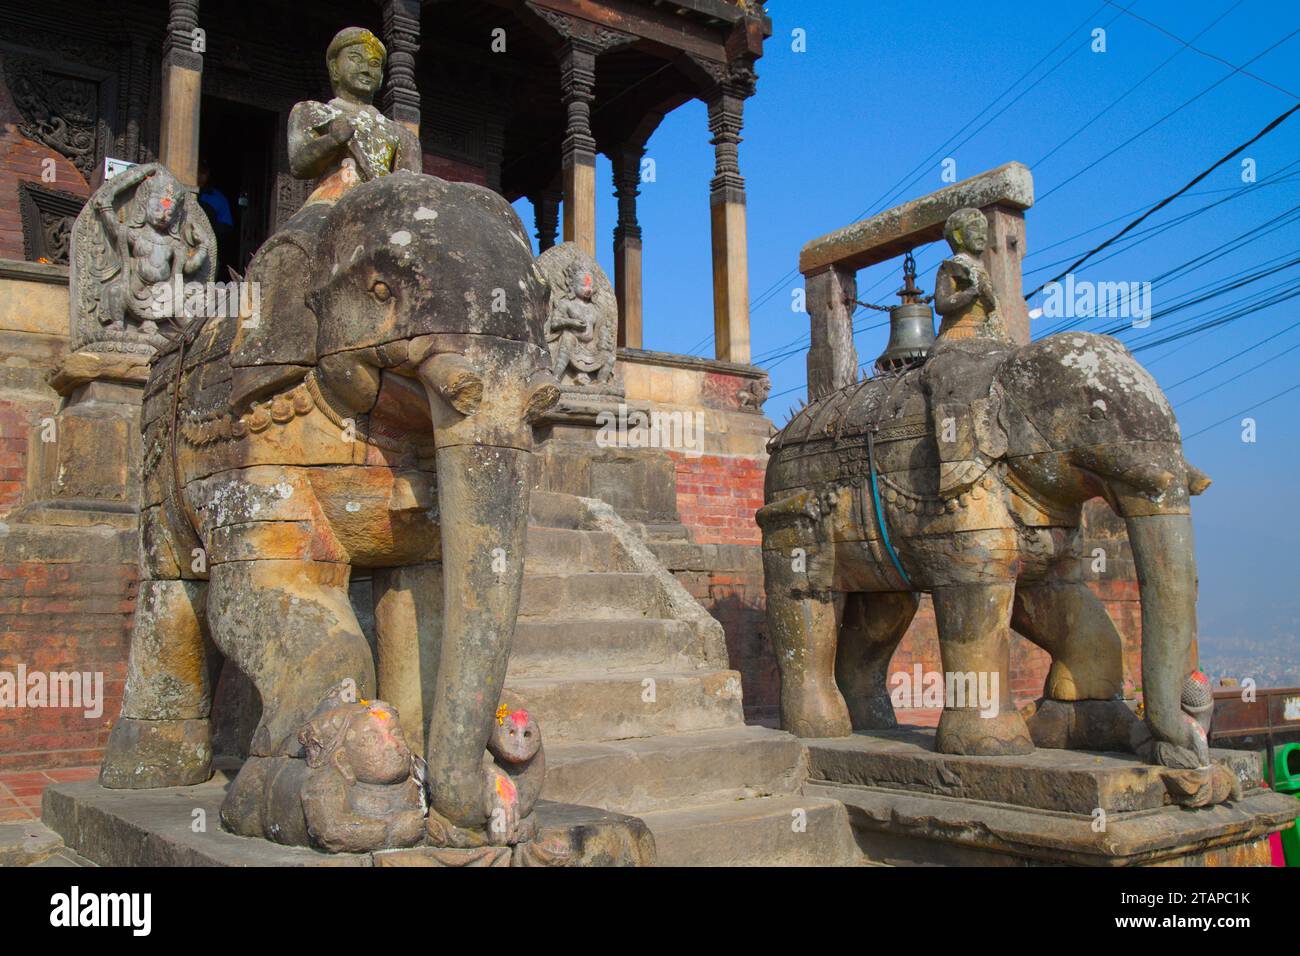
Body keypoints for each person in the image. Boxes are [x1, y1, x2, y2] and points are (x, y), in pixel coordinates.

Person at [923, 207, 1014, 499]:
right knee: (953, 382)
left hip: (989, 337)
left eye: (984, 230)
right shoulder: (950, 266)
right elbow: (941, 304)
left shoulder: (982, 268)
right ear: (959, 236)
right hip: (957, 337)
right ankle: (954, 459)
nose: (981, 236)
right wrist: (969, 294)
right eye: (974, 230)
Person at [287, 26, 421, 205]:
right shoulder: (311, 112)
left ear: (381, 77)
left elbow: (411, 190)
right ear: (334, 68)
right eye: (356, 59)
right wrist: (332, 140)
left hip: (380, 207)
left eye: (374, 64)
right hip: (329, 202)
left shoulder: (402, 135)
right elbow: (299, 166)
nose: (366, 70)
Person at [196, 160, 234, 273]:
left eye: (203, 172)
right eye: (197, 171)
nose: (200, 176)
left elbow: (226, 227)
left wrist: (208, 227)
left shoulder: (218, 199)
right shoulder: (179, 191)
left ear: (208, 174)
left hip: (208, 250)